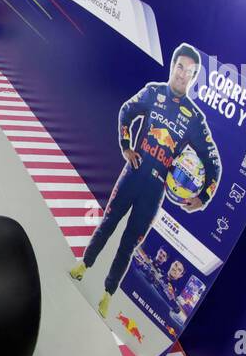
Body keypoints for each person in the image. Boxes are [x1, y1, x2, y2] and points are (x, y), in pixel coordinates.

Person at [70, 43, 221, 318]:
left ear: (194, 77)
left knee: (129, 244)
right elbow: (127, 111)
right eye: (180, 67)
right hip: (132, 175)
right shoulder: (153, 91)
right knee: (108, 223)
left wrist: (203, 197)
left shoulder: (196, 119)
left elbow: (214, 165)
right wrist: (126, 145)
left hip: (154, 193)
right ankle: (84, 264)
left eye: (190, 71)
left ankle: (107, 294)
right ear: (172, 67)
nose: (183, 74)